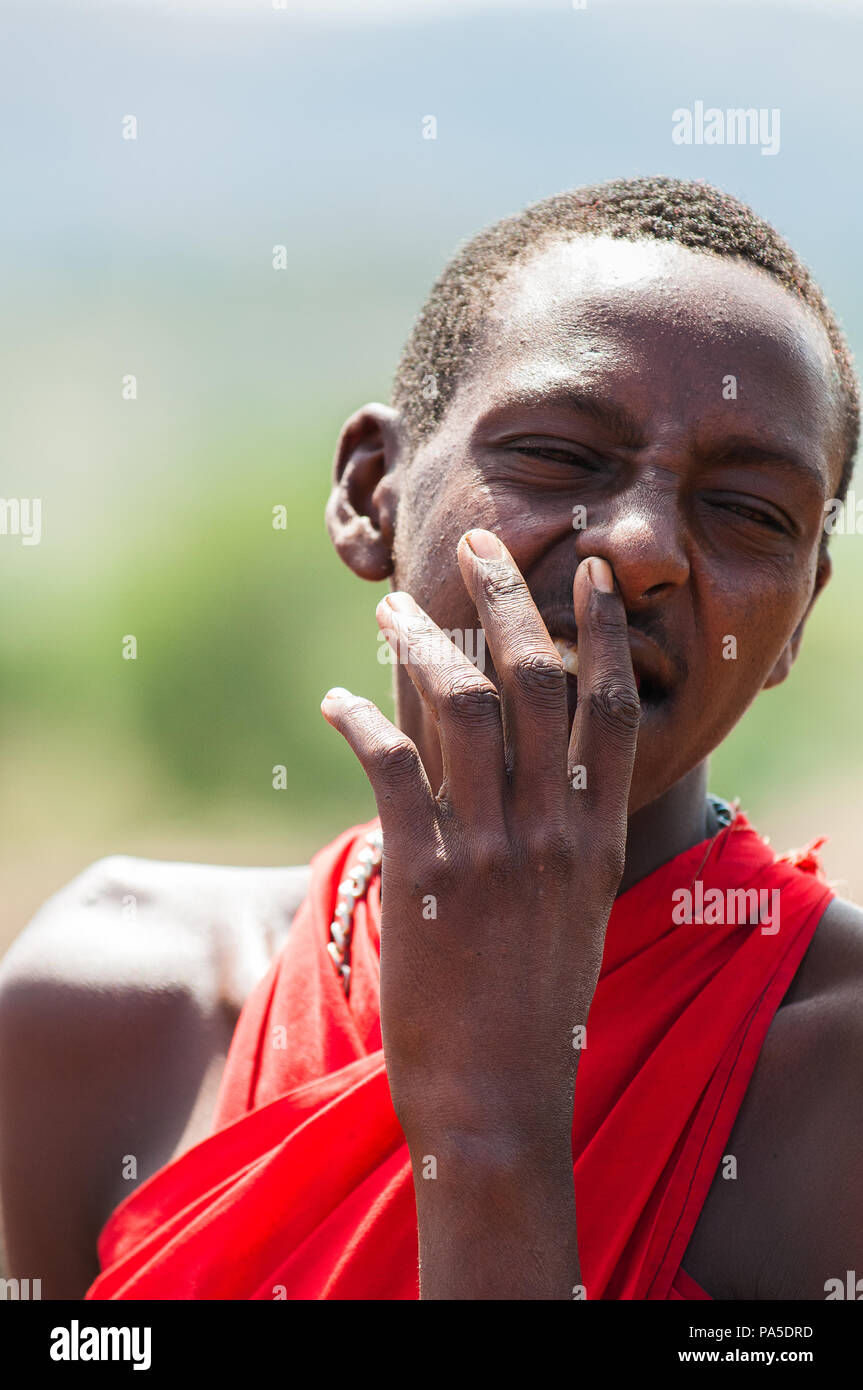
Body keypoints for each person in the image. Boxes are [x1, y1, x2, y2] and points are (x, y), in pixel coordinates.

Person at [1, 176, 861, 1301]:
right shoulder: (108, 1006)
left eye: (749, 511)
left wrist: (490, 1126)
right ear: (373, 493)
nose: (645, 545)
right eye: (558, 454)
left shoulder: (834, 1077)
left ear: (795, 614)